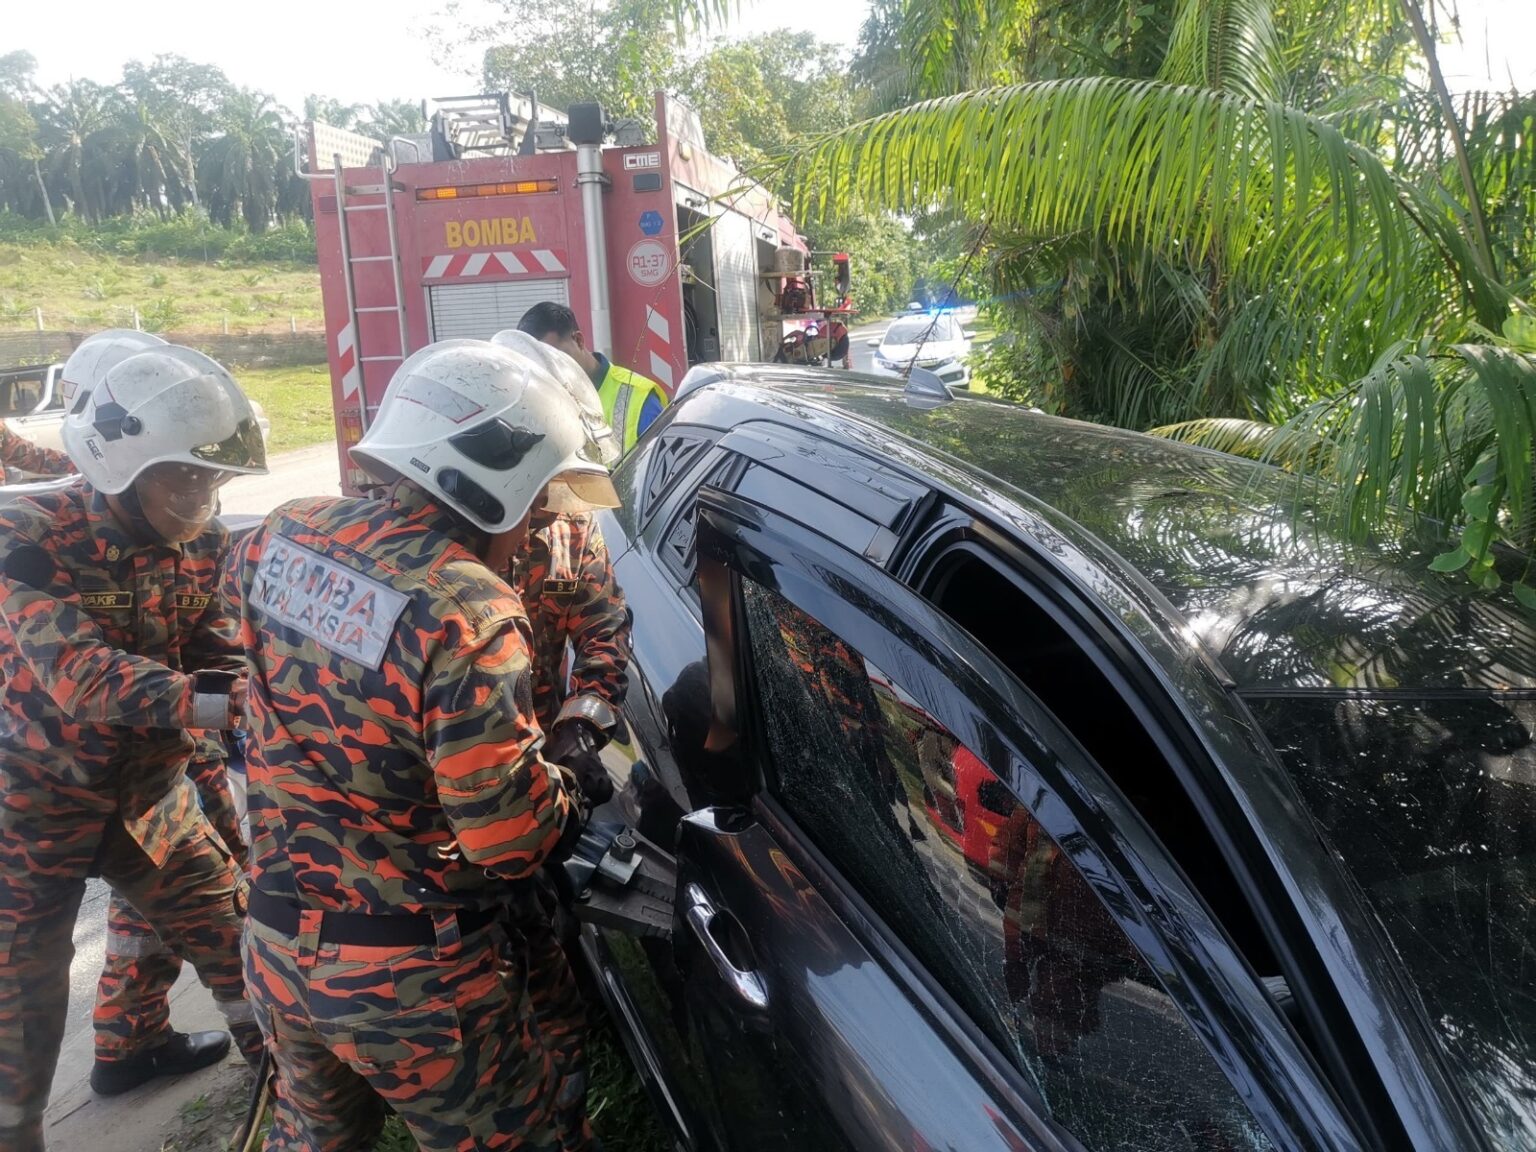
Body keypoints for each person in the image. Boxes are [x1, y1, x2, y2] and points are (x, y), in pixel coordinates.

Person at [228, 338, 619, 1152]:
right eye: (538, 498)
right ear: (495, 487)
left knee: (311, 1141)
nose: (544, 519)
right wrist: (570, 792)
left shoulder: (281, 534)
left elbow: (257, 681)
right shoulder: (468, 610)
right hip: (409, 981)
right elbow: (508, 840)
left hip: (275, 942)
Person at [0, 344, 269, 1151]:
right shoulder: (29, 535)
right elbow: (80, 675)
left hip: (152, 798)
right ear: (119, 466)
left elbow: (214, 645)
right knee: (19, 992)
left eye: (211, 479)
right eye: (183, 477)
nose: (202, 496)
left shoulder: (201, 541)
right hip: (30, 805)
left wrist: (251, 694)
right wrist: (236, 704)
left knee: (239, 938)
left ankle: (296, 1086)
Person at [492, 330, 632, 1141]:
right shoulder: (416, 552)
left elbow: (604, 630)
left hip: (533, 763)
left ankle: (565, 1105)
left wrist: (582, 727)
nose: (550, 504)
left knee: (546, 950)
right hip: (456, 810)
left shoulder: (569, 523)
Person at [517, 301, 667, 453]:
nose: (552, 372)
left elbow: (664, 466)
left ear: (579, 341)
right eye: (541, 366)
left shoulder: (638, 398)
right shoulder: (541, 408)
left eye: (556, 358)